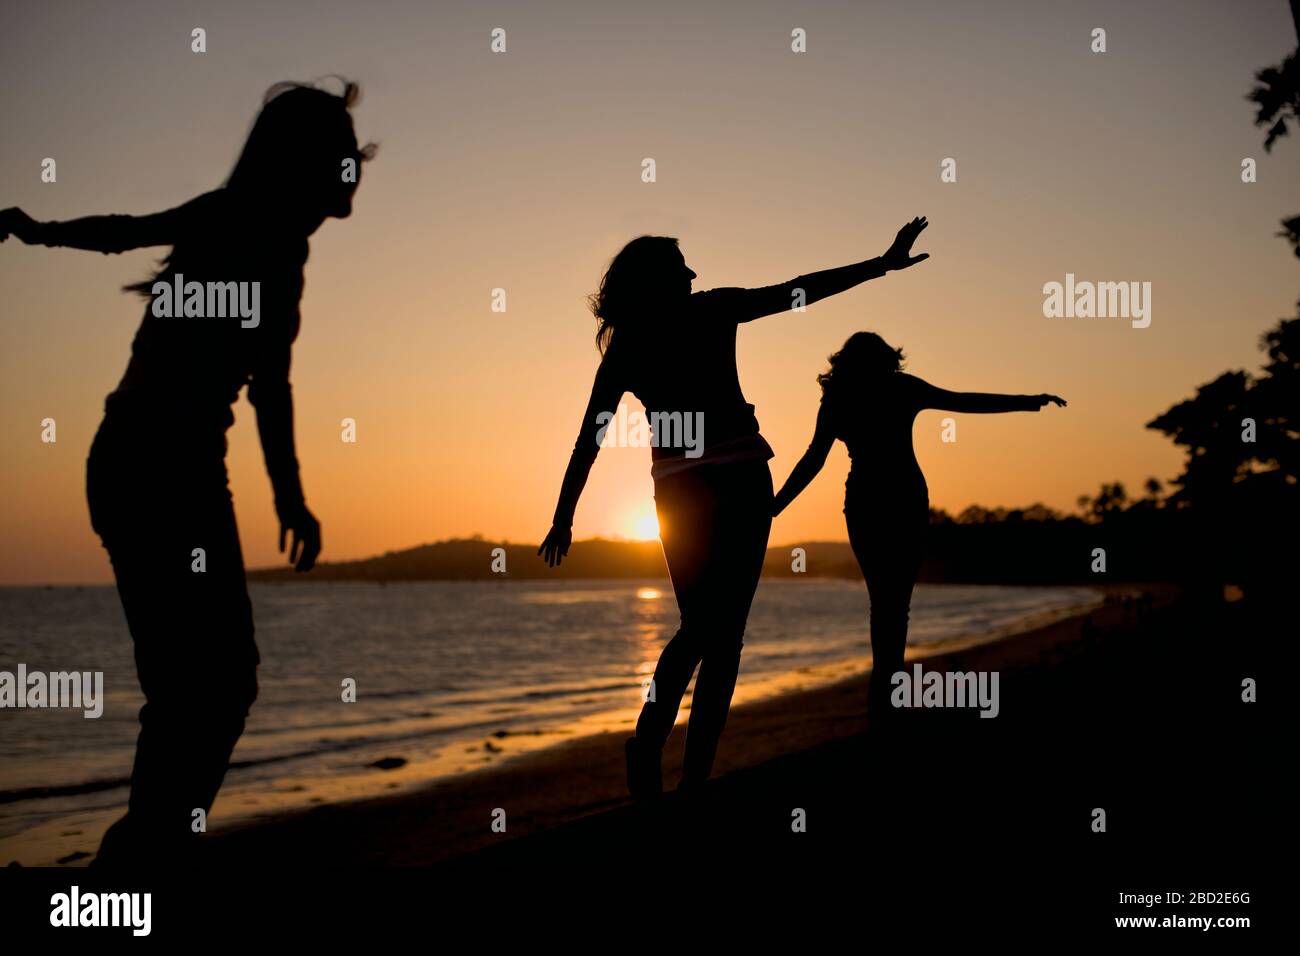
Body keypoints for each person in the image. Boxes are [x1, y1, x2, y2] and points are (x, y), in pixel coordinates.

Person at [0, 79, 374, 865]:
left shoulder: (278, 244)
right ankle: (136, 869)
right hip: (154, 461)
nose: (353, 166)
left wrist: (292, 498)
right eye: (339, 153)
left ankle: (143, 860)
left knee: (209, 686)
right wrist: (36, 232)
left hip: (168, 463)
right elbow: (123, 232)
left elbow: (269, 383)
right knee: (207, 686)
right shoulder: (244, 222)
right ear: (302, 164)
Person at [538, 218, 931, 796]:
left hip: (727, 483)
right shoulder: (648, 338)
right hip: (701, 488)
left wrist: (880, 264)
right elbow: (590, 432)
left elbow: (799, 290)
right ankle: (650, 744)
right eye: (681, 268)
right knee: (705, 630)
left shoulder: (692, 319)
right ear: (656, 280)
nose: (694, 274)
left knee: (721, 635)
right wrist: (563, 513)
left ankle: (694, 777)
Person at [772, 331, 1066, 723]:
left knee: (885, 603)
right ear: (888, 360)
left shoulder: (841, 398)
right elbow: (963, 402)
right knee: (896, 605)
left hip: (868, 502)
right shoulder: (899, 388)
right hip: (901, 499)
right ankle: (888, 692)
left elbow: (813, 460)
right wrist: (1029, 402)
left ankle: (885, 693)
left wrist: (776, 506)